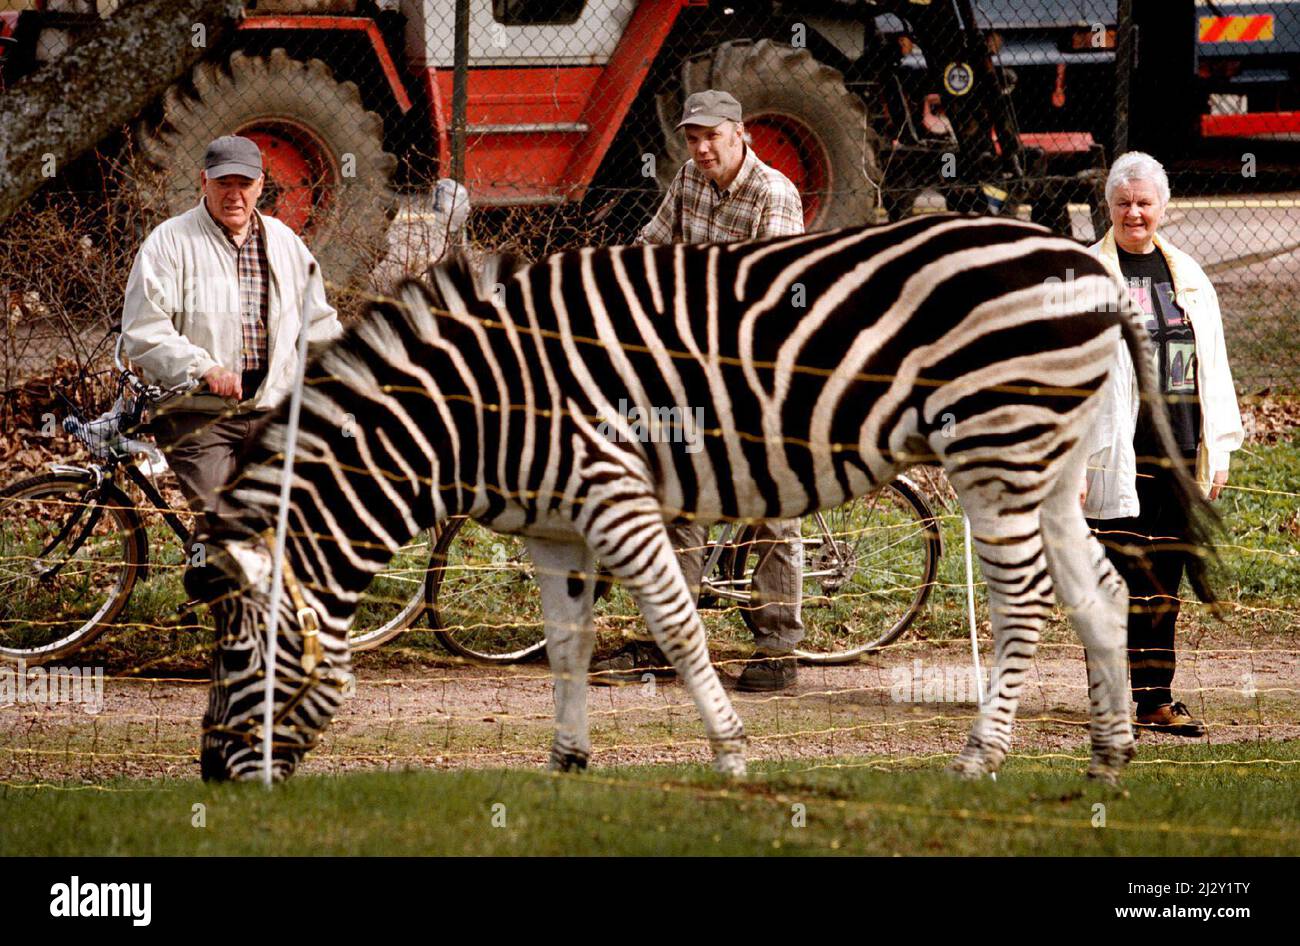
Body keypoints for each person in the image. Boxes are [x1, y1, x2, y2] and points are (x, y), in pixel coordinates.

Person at [592, 90, 807, 692]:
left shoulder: (775, 195)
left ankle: (778, 650)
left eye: (713, 135)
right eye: (693, 137)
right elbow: (652, 247)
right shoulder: (690, 179)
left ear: (741, 134)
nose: (702, 148)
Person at [1083, 150, 1244, 736]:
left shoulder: (1189, 276)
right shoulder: (1086, 274)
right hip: (1111, 453)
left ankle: (1154, 700)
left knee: (1162, 583)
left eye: (1144, 203)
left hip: (1178, 448)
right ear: (1108, 207)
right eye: (1123, 203)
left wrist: (1218, 448)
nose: (1134, 214)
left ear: (1163, 209)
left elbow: (1214, 367)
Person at [121, 135, 342, 523]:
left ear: (260, 185)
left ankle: (250, 575)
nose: (234, 195)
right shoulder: (169, 242)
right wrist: (204, 369)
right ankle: (215, 570)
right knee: (226, 524)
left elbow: (318, 325)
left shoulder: (285, 243)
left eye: (244, 184)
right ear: (204, 182)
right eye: (224, 183)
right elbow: (143, 331)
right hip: (198, 415)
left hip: (272, 409)